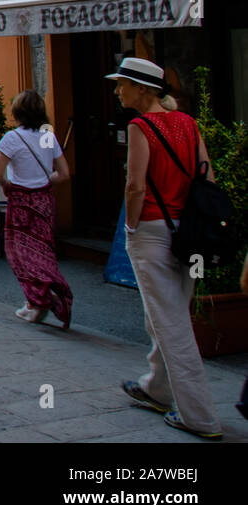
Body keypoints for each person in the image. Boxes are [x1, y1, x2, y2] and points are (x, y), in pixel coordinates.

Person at [108, 57, 222, 440]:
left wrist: (131, 225)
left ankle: (199, 415)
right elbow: (207, 174)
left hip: (153, 229)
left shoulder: (140, 126)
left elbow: (135, 185)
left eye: (122, 83)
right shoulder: (188, 124)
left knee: (170, 323)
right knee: (168, 313)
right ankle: (157, 387)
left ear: (142, 89)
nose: (117, 90)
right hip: (190, 233)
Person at [0, 90, 72, 325]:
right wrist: (45, 181)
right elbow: (65, 173)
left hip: (21, 202)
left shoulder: (11, 138)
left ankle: (38, 301)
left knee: (21, 253)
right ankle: (40, 299)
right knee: (43, 250)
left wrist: (8, 185)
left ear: (18, 112)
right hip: (44, 200)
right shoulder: (48, 136)